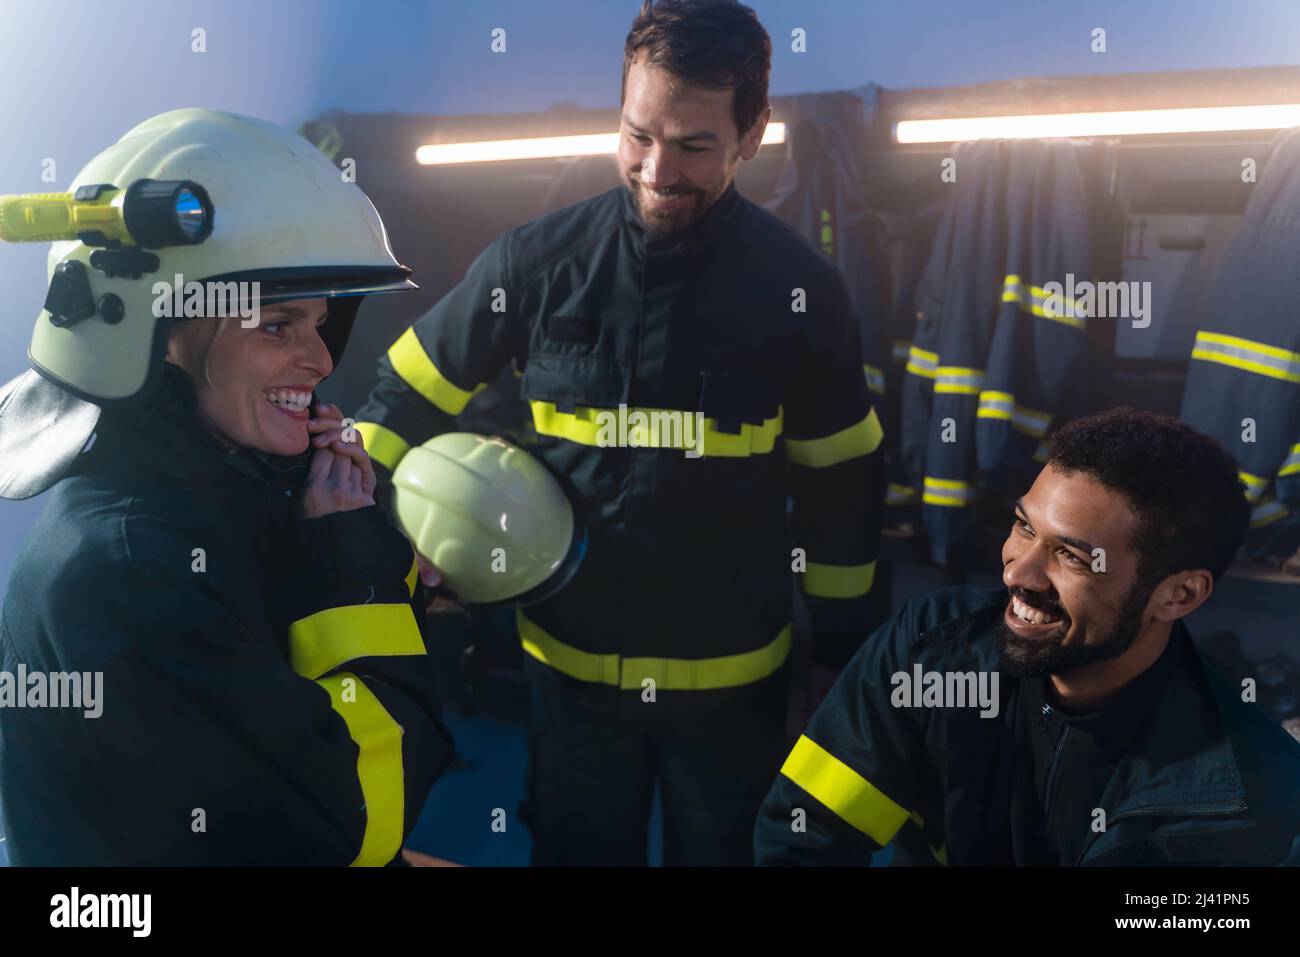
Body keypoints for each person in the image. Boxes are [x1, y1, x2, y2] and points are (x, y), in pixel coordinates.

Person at [355, 0, 885, 865]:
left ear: (752, 136)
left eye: (693, 145)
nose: (655, 169)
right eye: (638, 134)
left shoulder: (802, 294)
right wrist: (379, 545)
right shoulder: (532, 264)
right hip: (569, 682)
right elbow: (396, 400)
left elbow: (842, 488)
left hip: (734, 695)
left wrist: (840, 659)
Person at [0, 109, 453, 865]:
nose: (317, 360)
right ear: (159, 336)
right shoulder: (129, 574)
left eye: (319, 324)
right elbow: (362, 820)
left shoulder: (222, 490)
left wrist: (362, 546)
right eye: (277, 326)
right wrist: (350, 574)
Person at [755, 407, 1300, 865]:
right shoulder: (927, 653)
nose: (1018, 572)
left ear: (1178, 596)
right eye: (1023, 527)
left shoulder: (1252, 790)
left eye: (1071, 555)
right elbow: (804, 839)